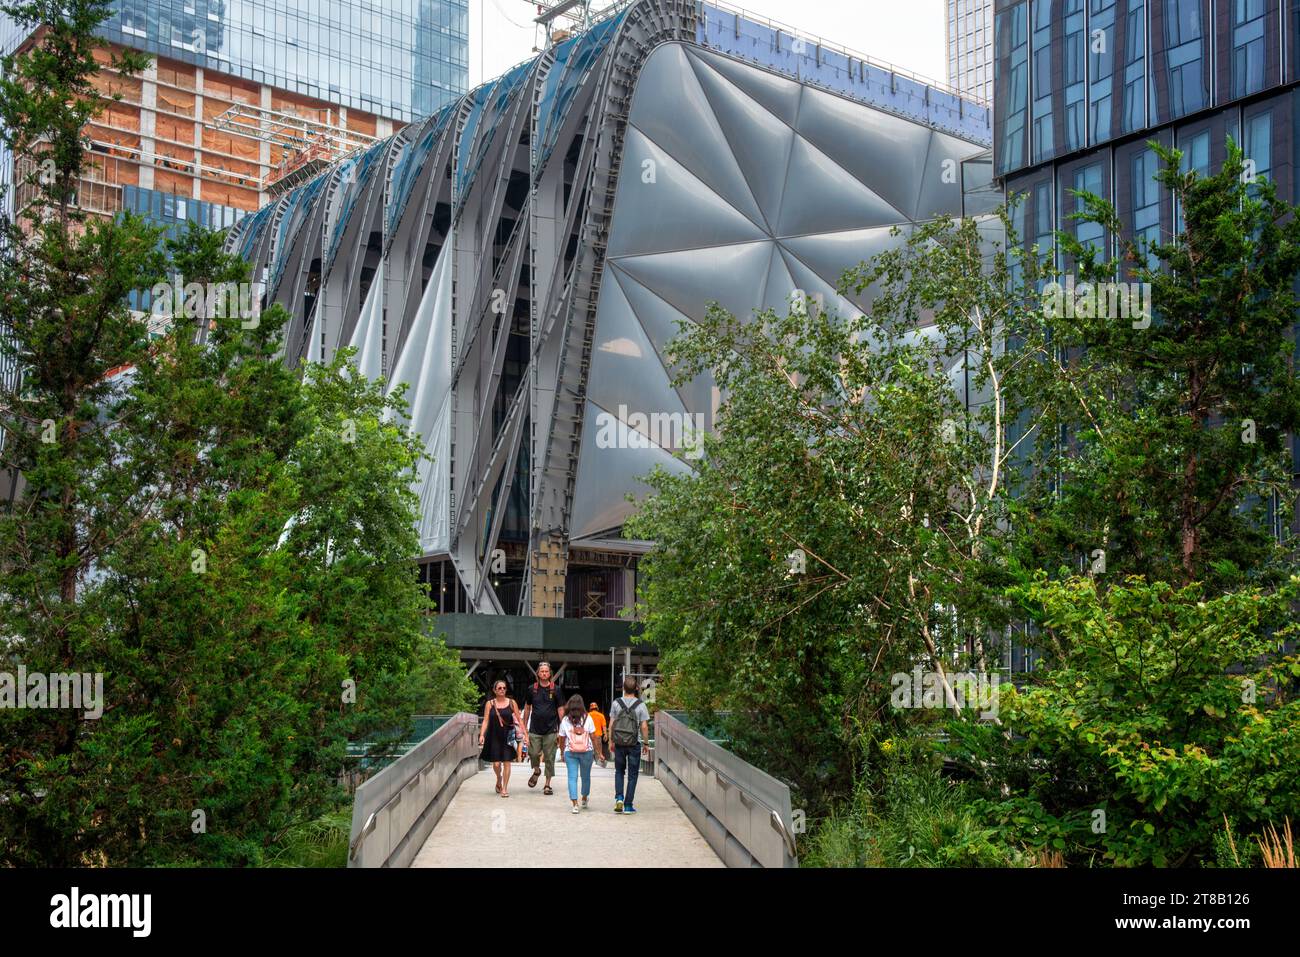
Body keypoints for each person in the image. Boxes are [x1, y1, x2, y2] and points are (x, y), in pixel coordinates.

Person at [609, 677, 650, 814]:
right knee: (632, 775)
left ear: (623, 688)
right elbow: (644, 727)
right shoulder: (641, 705)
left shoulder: (616, 703)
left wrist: (611, 741)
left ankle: (619, 798)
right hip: (634, 744)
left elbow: (612, 724)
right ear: (637, 689)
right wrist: (645, 743)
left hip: (619, 743)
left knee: (619, 771)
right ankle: (628, 805)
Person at [522, 661, 563, 795]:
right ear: (538, 673)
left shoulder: (555, 689)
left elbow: (560, 709)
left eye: (546, 671)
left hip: (551, 730)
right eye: (542, 671)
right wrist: (524, 727)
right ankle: (537, 770)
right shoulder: (532, 689)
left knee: (550, 758)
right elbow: (527, 708)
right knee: (533, 754)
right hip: (535, 729)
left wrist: (562, 729)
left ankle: (547, 785)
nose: (544, 673)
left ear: (549, 673)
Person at [478, 680, 524, 797]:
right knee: (497, 764)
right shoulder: (490, 704)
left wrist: (525, 735)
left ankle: (504, 788)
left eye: (504, 688)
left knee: (507, 762)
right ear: (494, 690)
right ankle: (499, 777)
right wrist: (482, 735)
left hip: (507, 736)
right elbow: (486, 720)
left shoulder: (512, 703)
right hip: (493, 736)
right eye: (499, 688)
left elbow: (519, 720)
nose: (502, 690)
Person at [558, 694, 596, 813]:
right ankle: (584, 797)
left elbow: (561, 737)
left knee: (572, 777)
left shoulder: (565, 719)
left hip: (570, 751)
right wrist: (598, 752)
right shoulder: (588, 717)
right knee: (585, 777)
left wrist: (562, 752)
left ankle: (575, 804)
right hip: (587, 751)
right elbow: (594, 736)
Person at [588, 701, 608, 767]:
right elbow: (604, 726)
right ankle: (599, 764)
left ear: (590, 708)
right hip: (598, 736)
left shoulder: (587, 715)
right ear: (597, 708)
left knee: (589, 750)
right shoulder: (601, 715)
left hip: (589, 736)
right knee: (599, 752)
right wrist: (605, 734)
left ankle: (589, 764)